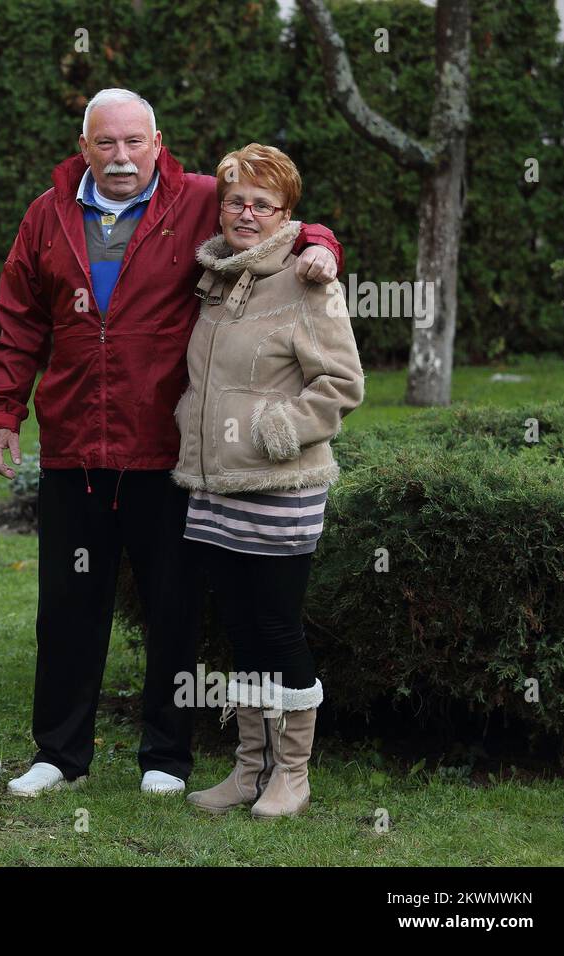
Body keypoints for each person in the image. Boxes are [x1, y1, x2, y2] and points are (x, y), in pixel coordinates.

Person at [0, 88, 345, 798]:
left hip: (167, 450)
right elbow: (19, 318)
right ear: (83, 146)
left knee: (172, 609)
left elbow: (273, 216)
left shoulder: (201, 198)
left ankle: (165, 758)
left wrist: (322, 242)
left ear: (158, 142)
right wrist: (2, 412)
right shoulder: (47, 215)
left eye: (134, 143)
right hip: (74, 449)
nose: (121, 158)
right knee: (67, 607)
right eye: (106, 143)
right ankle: (59, 755)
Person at [172, 143, 364, 817]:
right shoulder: (219, 277)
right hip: (218, 486)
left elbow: (343, 384)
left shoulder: (309, 279)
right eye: (235, 201)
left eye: (262, 203)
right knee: (240, 630)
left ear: (287, 212)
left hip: (281, 488)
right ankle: (248, 770)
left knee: (277, 628)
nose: (246, 214)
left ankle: (294, 773)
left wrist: (280, 429)